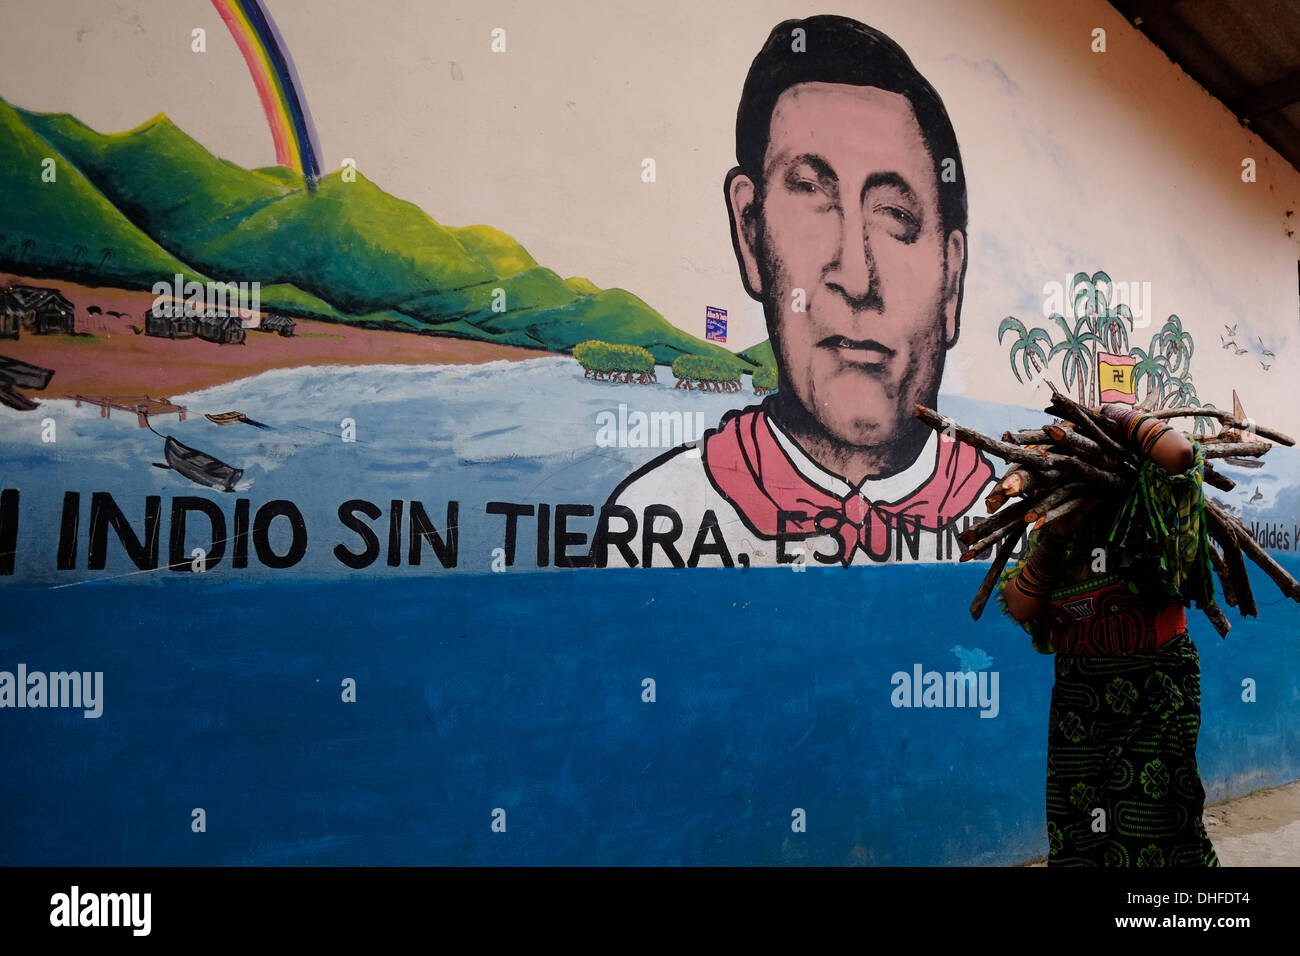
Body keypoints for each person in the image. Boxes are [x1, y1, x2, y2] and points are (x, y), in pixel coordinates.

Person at [597, 15, 994, 568]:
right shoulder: (654, 524)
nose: (857, 278)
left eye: (896, 216)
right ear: (750, 231)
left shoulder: (1018, 526)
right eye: (810, 192)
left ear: (952, 279)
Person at [997, 402, 1220, 867]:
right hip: (1081, 699)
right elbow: (1019, 604)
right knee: (1080, 833)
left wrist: (1119, 414)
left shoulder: (1154, 503)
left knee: (1157, 830)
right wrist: (1058, 537)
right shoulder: (1054, 530)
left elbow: (1179, 456)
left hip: (1155, 691)